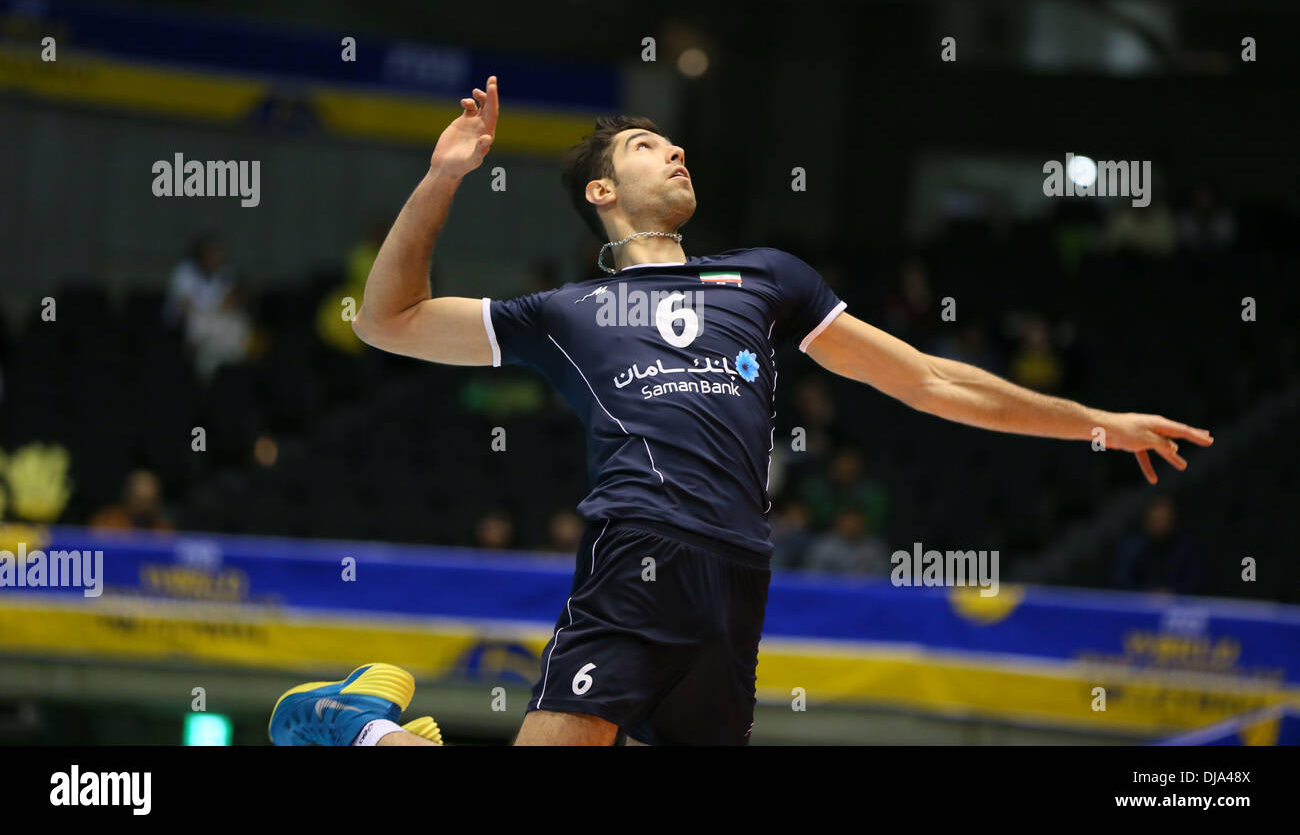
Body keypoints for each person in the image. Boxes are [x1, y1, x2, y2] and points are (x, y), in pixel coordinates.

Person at [268, 75, 1213, 747]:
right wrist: (443, 178)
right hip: (643, 544)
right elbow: (387, 321)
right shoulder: (563, 314)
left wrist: (1095, 420)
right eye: (647, 146)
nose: (676, 150)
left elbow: (929, 379)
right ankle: (364, 731)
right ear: (602, 192)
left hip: (739, 575)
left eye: (672, 142)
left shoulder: (766, 280)